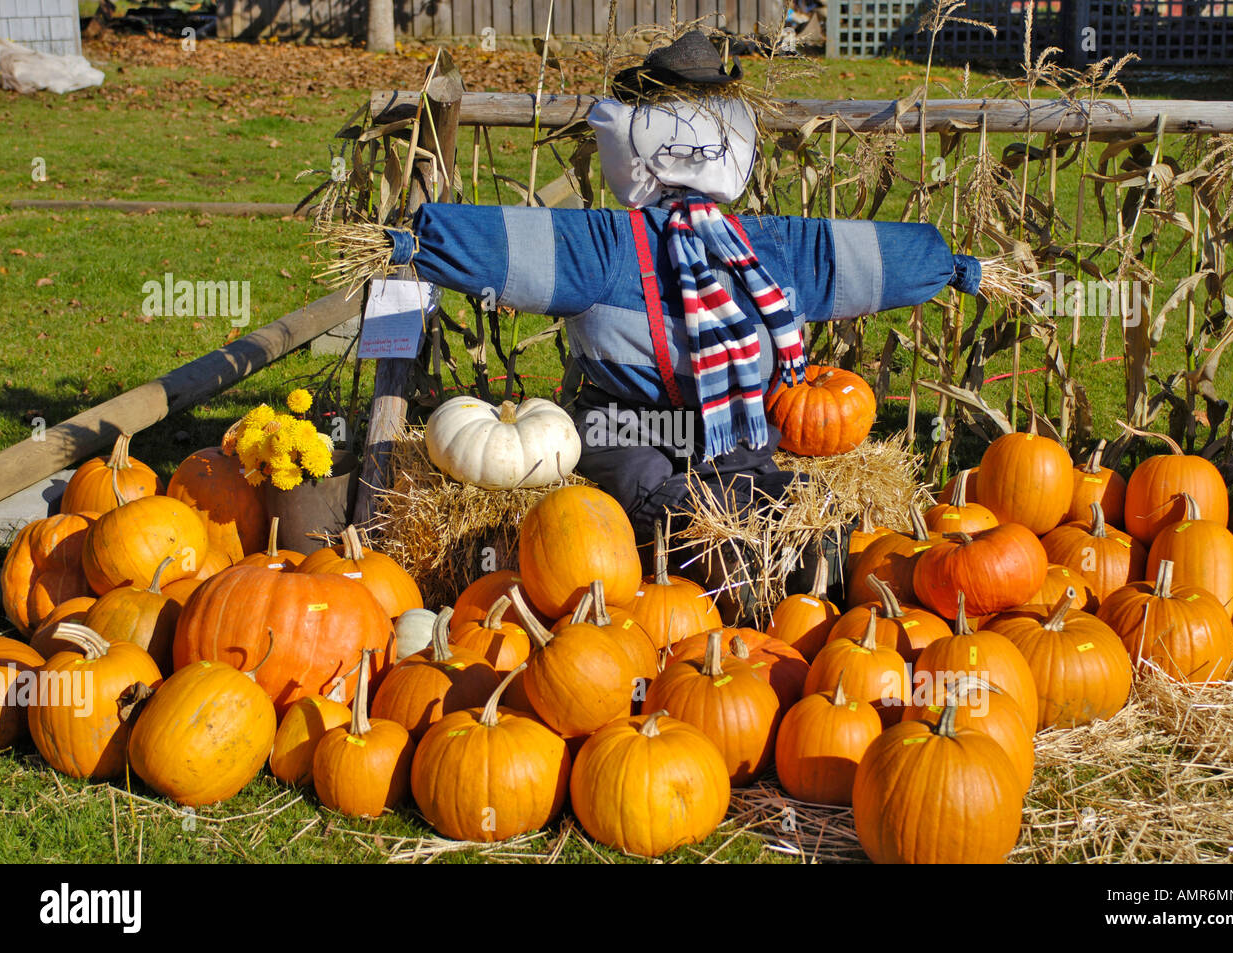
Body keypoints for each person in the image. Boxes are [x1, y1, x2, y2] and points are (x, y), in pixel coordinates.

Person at [368, 31, 984, 616]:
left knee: (755, 476)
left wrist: (942, 266)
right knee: (633, 473)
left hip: (731, 422)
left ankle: (784, 544)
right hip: (624, 419)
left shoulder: (768, 245)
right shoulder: (611, 246)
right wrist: (420, 243)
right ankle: (707, 548)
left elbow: (847, 256)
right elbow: (521, 247)